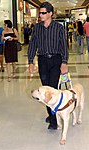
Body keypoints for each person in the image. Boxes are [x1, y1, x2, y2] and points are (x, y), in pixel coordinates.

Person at [28, 2, 68, 130]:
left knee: (53, 89)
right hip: (43, 61)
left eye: (43, 13)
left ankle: (53, 121)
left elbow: (64, 46)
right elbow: (33, 44)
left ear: (50, 13)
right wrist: (30, 61)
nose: (41, 15)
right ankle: (51, 115)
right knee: (44, 90)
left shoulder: (59, 28)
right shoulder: (37, 28)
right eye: (40, 13)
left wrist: (64, 62)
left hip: (56, 60)